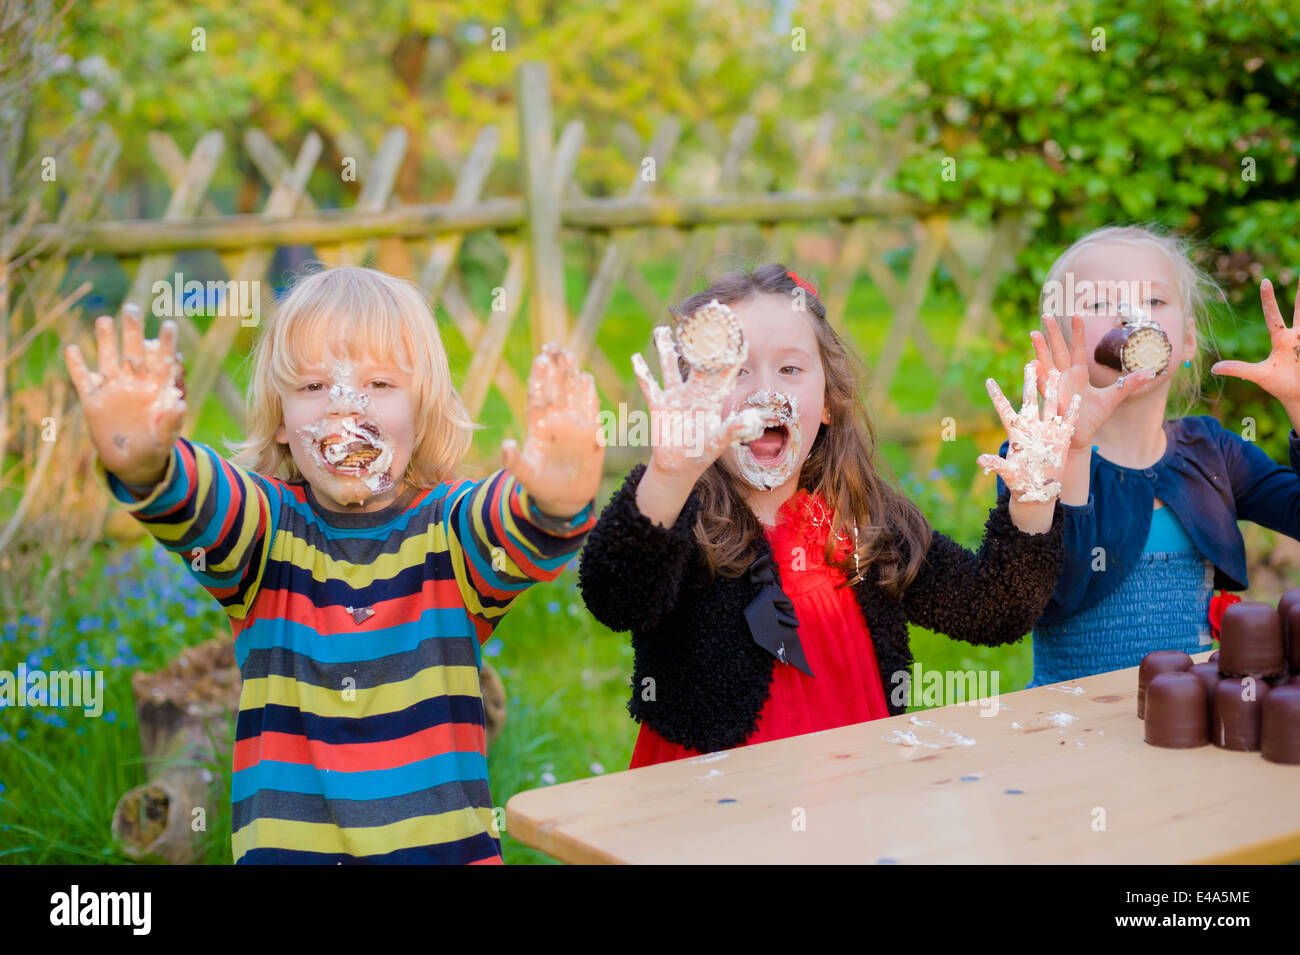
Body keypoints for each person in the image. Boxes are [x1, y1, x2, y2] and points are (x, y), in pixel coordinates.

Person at [64, 265, 604, 863]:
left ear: (420, 413)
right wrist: (142, 461)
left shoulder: (449, 533)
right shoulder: (264, 534)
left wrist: (554, 498)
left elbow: (510, 526)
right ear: (281, 420)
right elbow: (199, 502)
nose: (347, 408)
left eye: (378, 383)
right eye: (315, 386)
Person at [577, 263, 1074, 766]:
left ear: (830, 401)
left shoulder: (866, 520)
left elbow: (993, 609)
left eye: (789, 369)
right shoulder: (681, 520)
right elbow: (616, 599)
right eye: (735, 372)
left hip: (856, 797)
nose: (763, 391)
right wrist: (667, 478)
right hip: (717, 808)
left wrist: (1032, 495)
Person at [997, 225, 1300, 686]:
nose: (1131, 314)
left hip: (1189, 717)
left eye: (1154, 302)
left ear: (1190, 339)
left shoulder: (1213, 452)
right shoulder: (1036, 456)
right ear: (1059, 343)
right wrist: (1073, 455)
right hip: (1071, 729)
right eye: (1099, 304)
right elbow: (1049, 599)